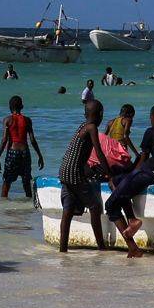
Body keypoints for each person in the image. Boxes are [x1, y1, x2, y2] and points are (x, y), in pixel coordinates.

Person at [104, 103, 154, 257]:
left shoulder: (151, 131)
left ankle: (133, 247)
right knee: (116, 181)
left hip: (150, 174)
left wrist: (133, 174)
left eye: (150, 117)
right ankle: (131, 219)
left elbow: (143, 157)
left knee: (110, 205)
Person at [57, 100, 114, 254]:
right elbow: (99, 151)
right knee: (95, 206)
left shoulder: (82, 126)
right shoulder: (92, 128)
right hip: (74, 173)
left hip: (64, 171)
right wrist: (110, 175)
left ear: (85, 114)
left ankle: (63, 249)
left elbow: (78, 154)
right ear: (100, 114)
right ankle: (101, 247)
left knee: (68, 210)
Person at [0, 95, 44, 198]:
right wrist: (40, 155)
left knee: (7, 181)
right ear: (22, 106)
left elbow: (4, 140)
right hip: (25, 152)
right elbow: (32, 140)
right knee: (26, 181)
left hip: (12, 152)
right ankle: (30, 207)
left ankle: (3, 206)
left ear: (10, 107)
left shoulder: (7, 120)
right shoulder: (27, 120)